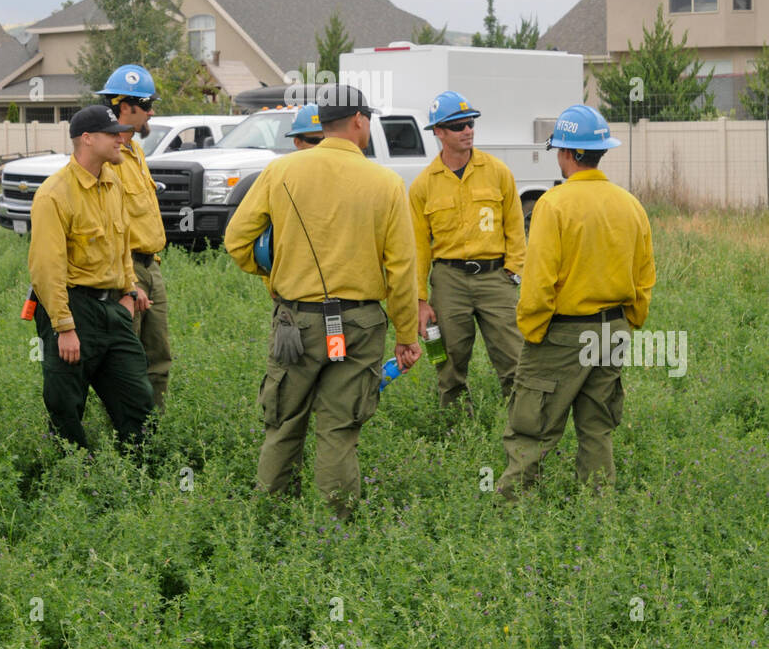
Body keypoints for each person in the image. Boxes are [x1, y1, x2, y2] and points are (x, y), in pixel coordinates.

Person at [224, 84, 420, 517]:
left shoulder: (280, 172)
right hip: (361, 325)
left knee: (283, 424)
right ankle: (339, 530)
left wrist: (274, 278)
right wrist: (407, 335)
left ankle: (269, 525)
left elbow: (237, 240)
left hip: (295, 322)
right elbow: (403, 269)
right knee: (339, 429)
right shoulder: (386, 182)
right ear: (358, 121)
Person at [495, 104, 656, 500]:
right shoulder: (630, 205)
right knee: (597, 426)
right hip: (613, 331)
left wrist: (532, 332)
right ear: (600, 151)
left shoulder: (554, 204)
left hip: (564, 333)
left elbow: (538, 281)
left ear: (566, 153)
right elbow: (644, 276)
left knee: (531, 428)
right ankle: (597, 512)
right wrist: (628, 320)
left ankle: (509, 511)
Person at [28, 104, 154, 448]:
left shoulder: (112, 182)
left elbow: (122, 241)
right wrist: (64, 327)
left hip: (113, 309)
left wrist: (129, 290)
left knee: (139, 402)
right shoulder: (54, 195)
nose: (120, 139)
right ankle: (75, 479)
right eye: (112, 134)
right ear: (87, 139)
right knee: (65, 404)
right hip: (74, 309)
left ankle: (135, 476)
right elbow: (45, 268)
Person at [408, 90, 525, 413]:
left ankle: (524, 431)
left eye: (470, 123)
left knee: (514, 360)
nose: (468, 131)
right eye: (458, 126)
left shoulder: (498, 172)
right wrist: (420, 300)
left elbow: (516, 228)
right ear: (439, 132)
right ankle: (457, 430)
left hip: (495, 279)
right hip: (449, 282)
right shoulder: (423, 185)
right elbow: (418, 249)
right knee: (448, 363)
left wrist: (512, 272)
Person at [97, 65, 172, 412]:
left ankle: (153, 428)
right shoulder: (106, 159)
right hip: (128, 274)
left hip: (151, 266)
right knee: (126, 358)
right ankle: (128, 434)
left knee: (159, 356)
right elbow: (108, 228)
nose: (152, 111)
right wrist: (128, 283)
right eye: (147, 104)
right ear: (125, 107)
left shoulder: (136, 153)